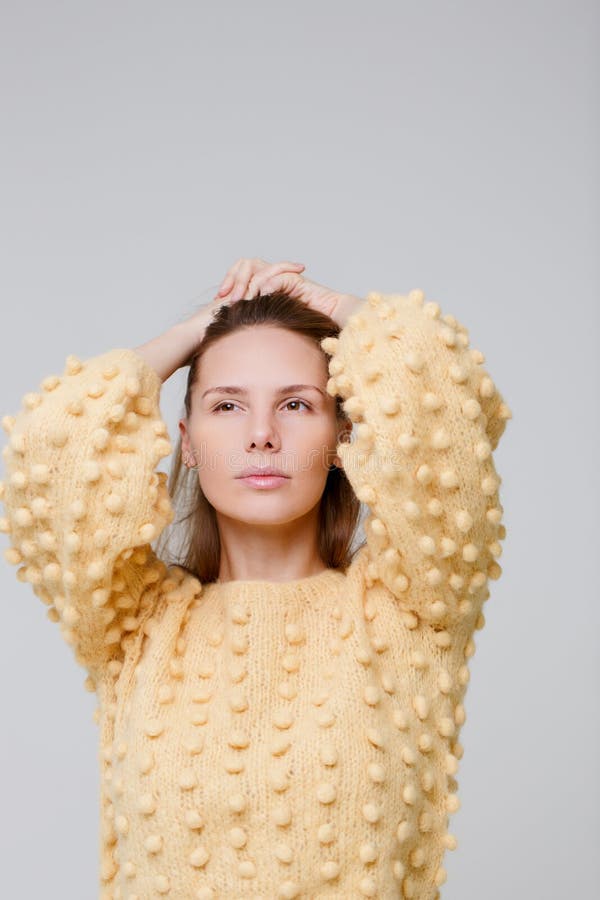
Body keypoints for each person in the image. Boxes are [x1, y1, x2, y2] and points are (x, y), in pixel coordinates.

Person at [0, 257, 512, 899]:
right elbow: (52, 455)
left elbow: (448, 418)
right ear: (186, 441)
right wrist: (195, 332)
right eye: (228, 405)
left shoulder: (410, 608)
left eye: (297, 404)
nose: (263, 435)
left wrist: (342, 310)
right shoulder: (136, 625)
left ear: (340, 436)